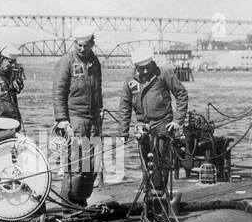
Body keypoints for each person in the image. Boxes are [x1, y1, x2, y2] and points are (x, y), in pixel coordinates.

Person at [118, 48, 189, 191]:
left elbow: (181, 93)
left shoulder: (163, 74)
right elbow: (125, 105)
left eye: (147, 67)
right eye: (141, 68)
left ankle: (159, 190)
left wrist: (177, 120)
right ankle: (148, 190)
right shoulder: (130, 80)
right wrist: (123, 132)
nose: (145, 71)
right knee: (145, 160)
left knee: (161, 159)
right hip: (142, 124)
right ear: (136, 66)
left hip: (163, 123)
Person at [52, 24, 104, 205]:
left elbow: (98, 89)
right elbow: (58, 92)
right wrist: (62, 120)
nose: (82, 49)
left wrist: (100, 111)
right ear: (75, 43)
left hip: (93, 120)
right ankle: (69, 206)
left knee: (92, 166)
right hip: (75, 119)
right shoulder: (66, 62)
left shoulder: (94, 62)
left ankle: (81, 202)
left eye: (86, 45)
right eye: (79, 45)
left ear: (92, 43)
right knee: (74, 166)